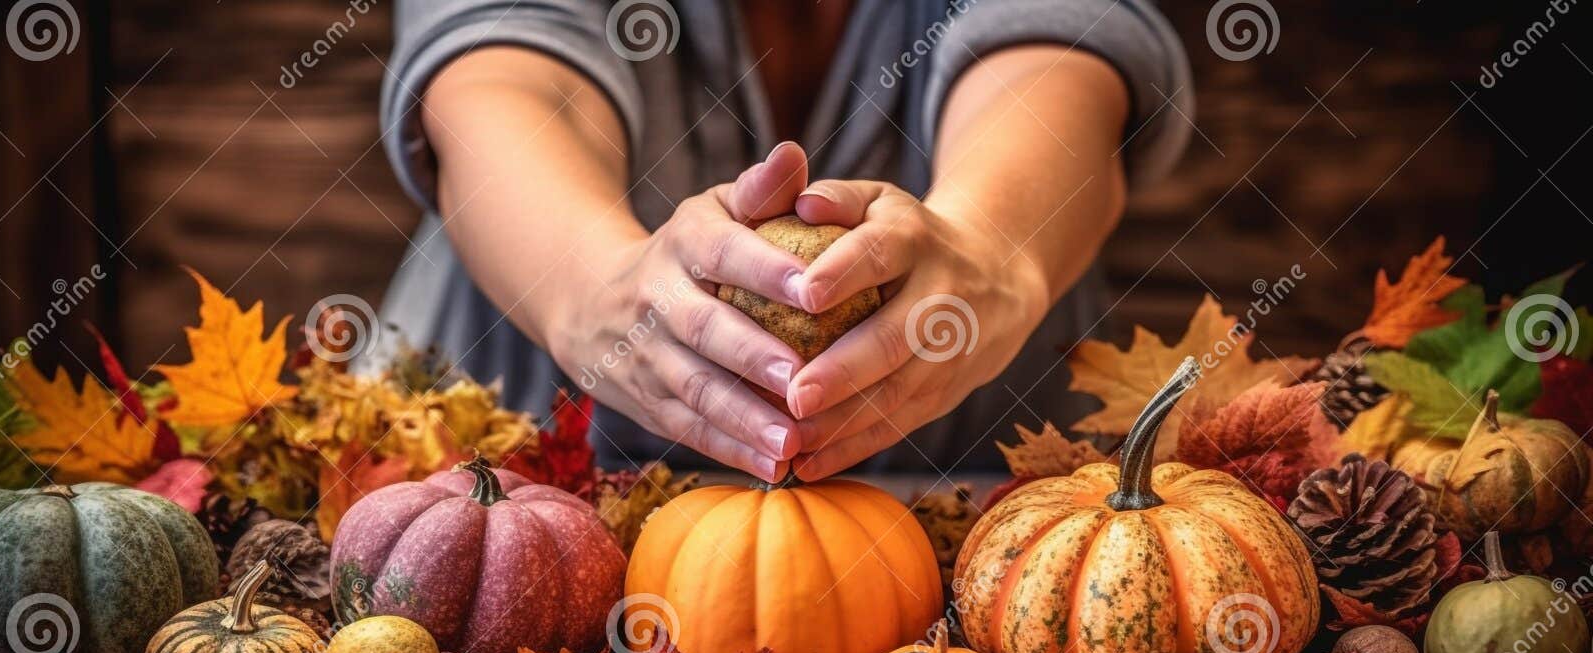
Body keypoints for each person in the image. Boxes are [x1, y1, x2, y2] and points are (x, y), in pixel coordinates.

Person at [378, 1, 1190, 481]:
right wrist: (594, 287)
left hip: (979, 523)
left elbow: (1062, 48)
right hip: (496, 487)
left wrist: (990, 250)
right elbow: (501, 70)